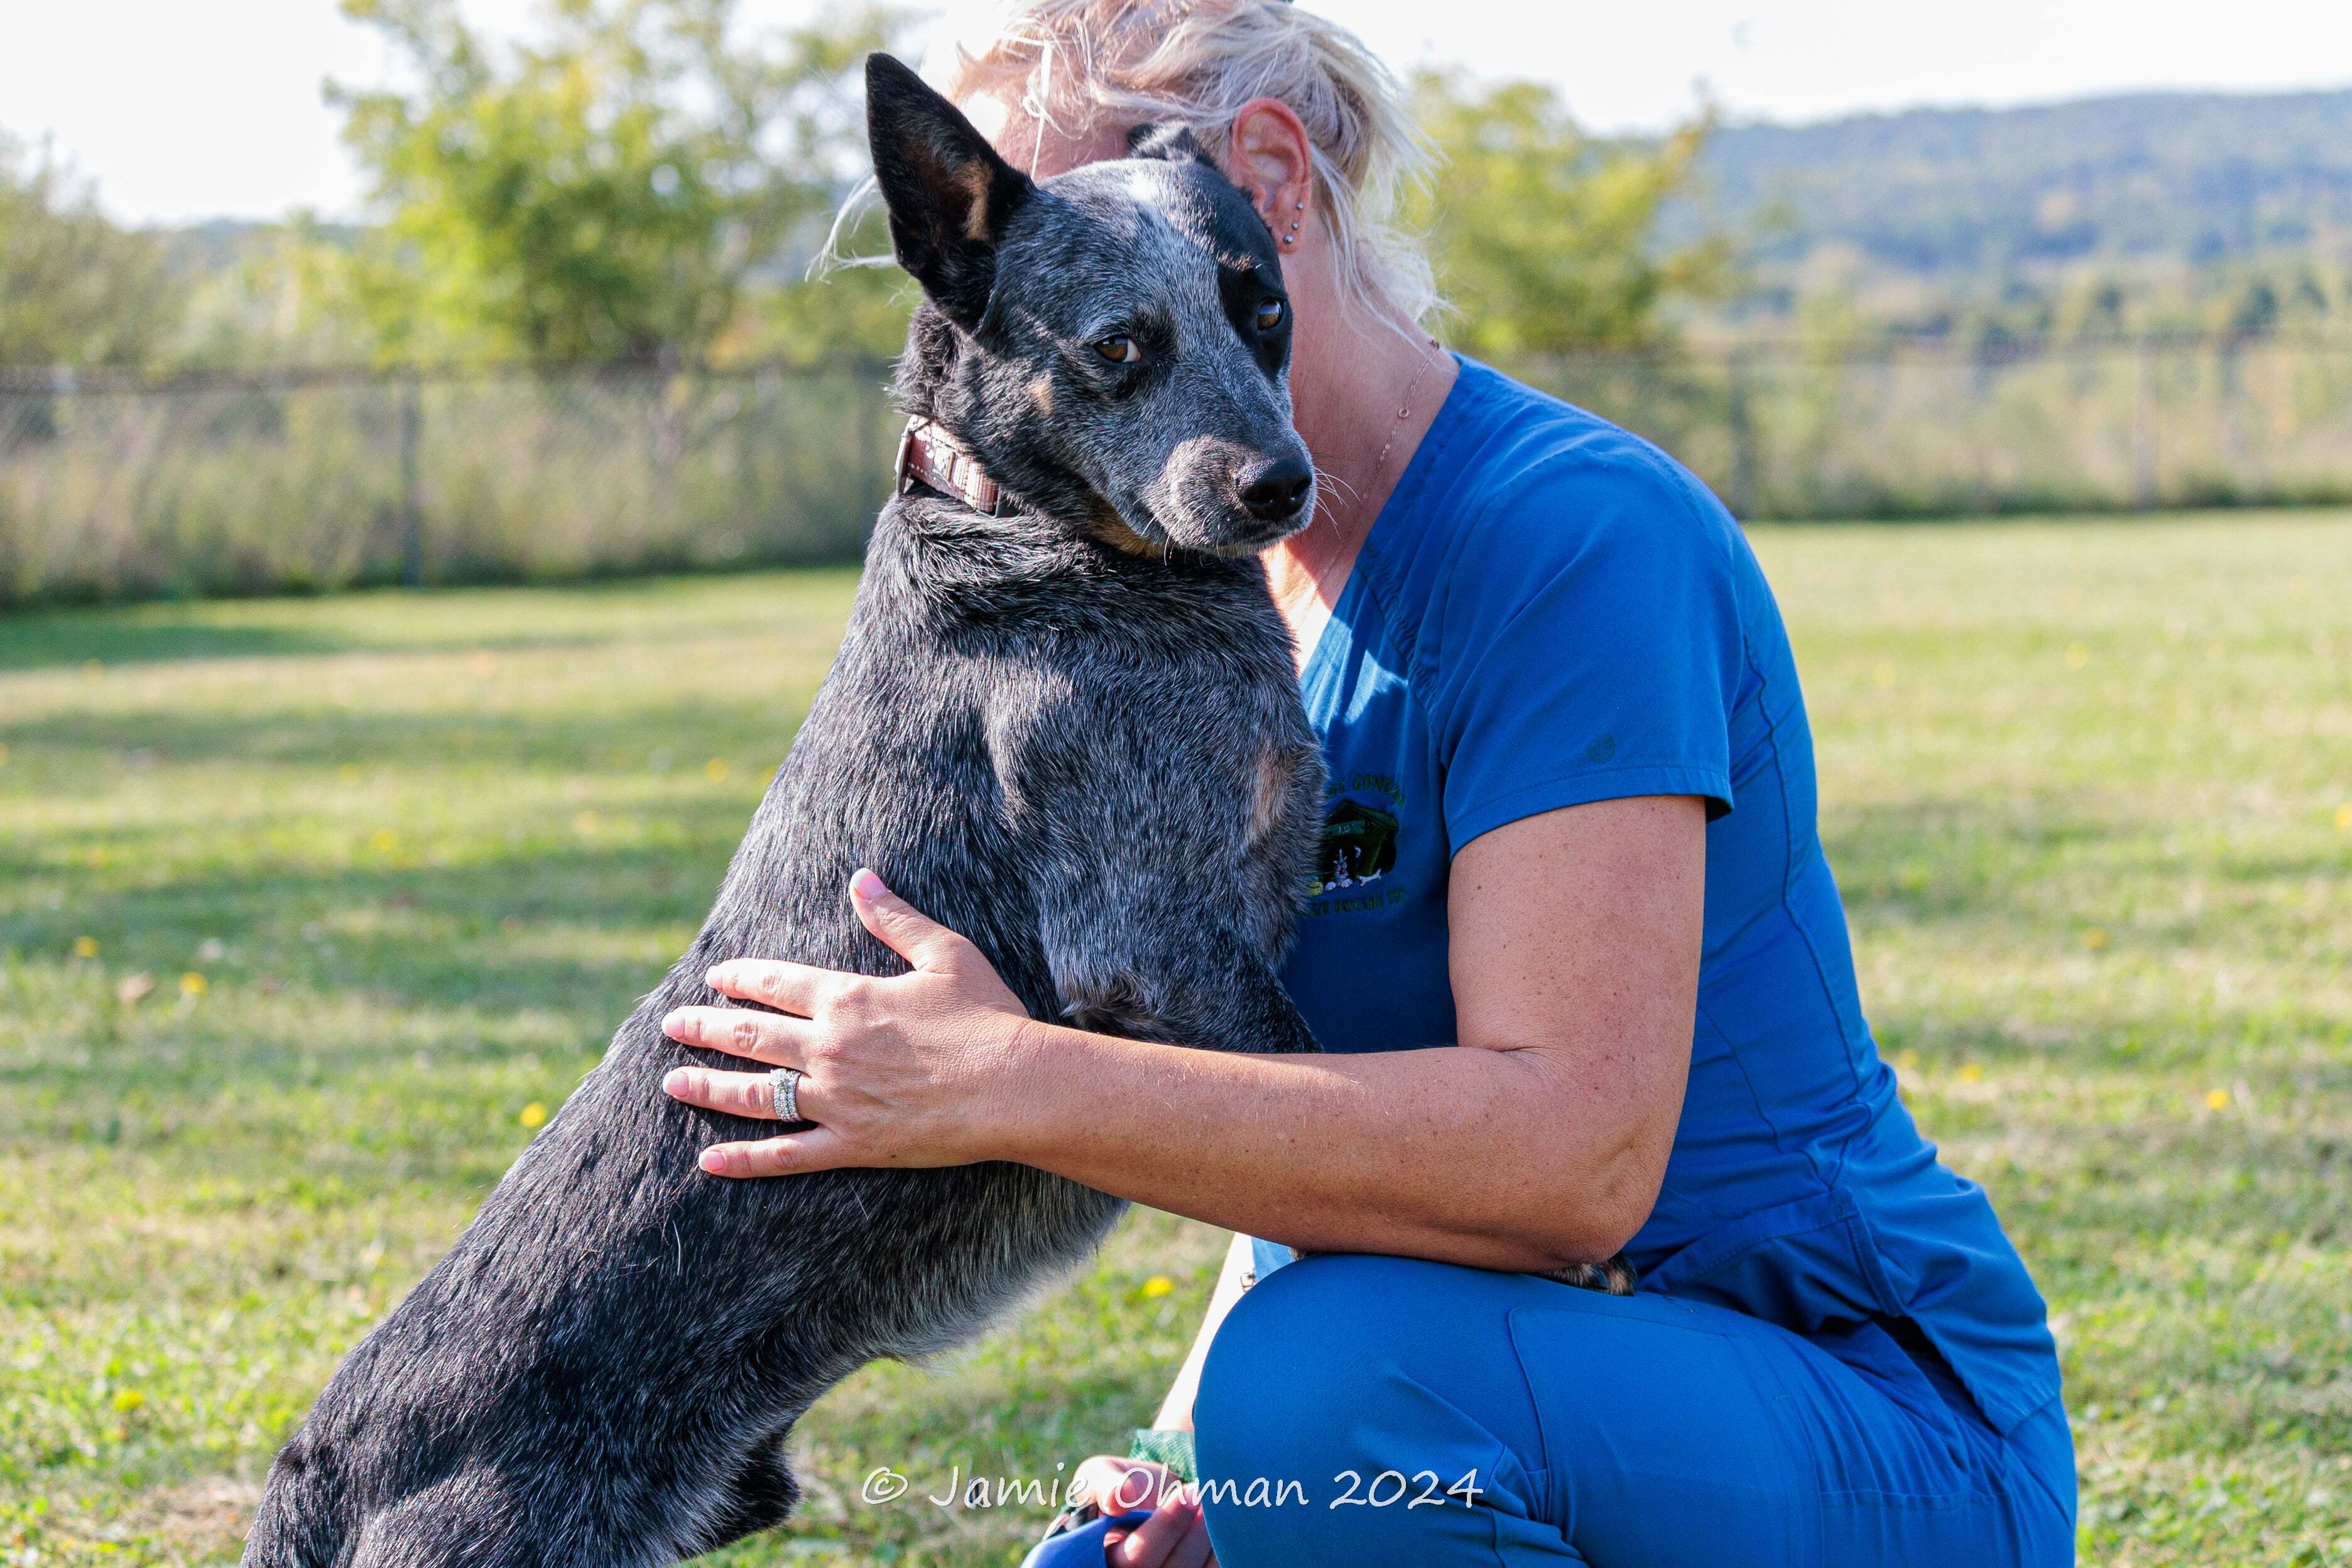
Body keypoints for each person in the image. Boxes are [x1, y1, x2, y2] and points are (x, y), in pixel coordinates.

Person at [653, 3, 2076, 1563]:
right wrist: (1184, 1453)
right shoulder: (1208, 599)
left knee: (1323, 1393)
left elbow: (1571, 1166)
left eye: (1074, 222)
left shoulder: (1576, 542)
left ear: (1260, 179)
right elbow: (1301, 1121)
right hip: (1508, 1382)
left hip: (1869, 1425)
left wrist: (997, 1083)